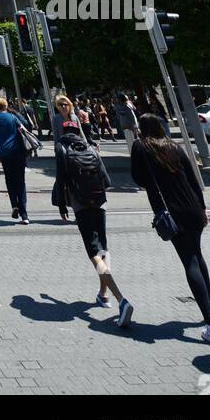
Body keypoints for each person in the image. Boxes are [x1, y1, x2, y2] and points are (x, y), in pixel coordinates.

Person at [131, 113, 210, 347]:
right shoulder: (175, 147)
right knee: (198, 256)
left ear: (142, 128)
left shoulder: (141, 147)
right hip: (193, 207)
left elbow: (137, 178)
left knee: (190, 261)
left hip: (172, 212)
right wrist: (203, 208)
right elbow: (194, 179)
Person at [54, 117, 133, 328]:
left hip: (81, 204)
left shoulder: (62, 149)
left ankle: (121, 300)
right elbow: (106, 179)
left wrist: (62, 205)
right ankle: (103, 294)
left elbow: (61, 179)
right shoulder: (89, 146)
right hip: (100, 202)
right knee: (103, 248)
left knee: (94, 254)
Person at [0, 96, 30, 223]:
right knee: (21, 182)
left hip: (5, 154)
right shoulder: (13, 117)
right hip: (18, 152)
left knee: (10, 180)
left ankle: (14, 206)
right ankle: (24, 215)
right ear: (6, 106)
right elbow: (23, 129)